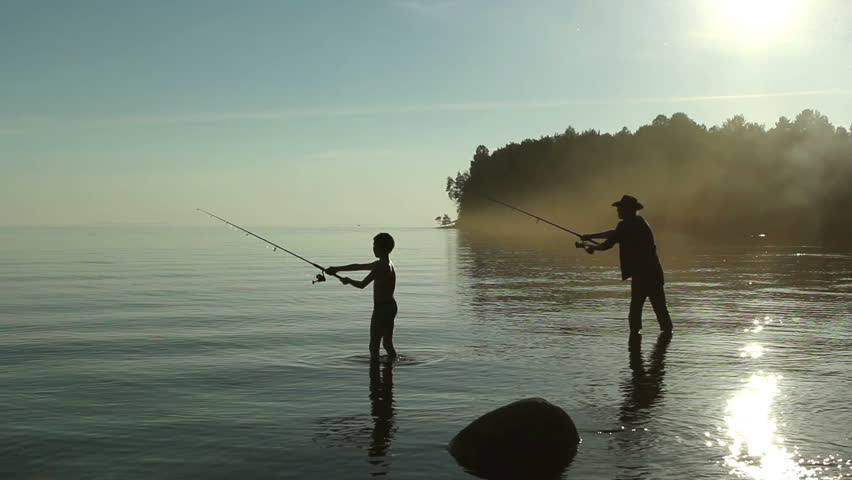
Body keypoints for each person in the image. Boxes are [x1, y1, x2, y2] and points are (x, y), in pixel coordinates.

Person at [581, 195, 673, 335]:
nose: (617, 211)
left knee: (635, 310)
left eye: (620, 208)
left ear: (627, 210)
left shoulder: (626, 225)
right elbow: (614, 234)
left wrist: (590, 246)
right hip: (654, 272)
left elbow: (607, 245)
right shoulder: (639, 221)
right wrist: (590, 236)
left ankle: (635, 342)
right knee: (660, 309)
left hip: (641, 275)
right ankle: (666, 338)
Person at [326, 233, 398, 361]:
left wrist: (348, 280)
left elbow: (362, 285)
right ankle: (390, 371)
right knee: (387, 343)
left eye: (375, 246)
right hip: (391, 307)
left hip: (381, 309)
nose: (373, 248)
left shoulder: (379, 266)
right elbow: (358, 266)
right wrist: (337, 269)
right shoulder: (388, 263)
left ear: (382, 248)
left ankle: (374, 375)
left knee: (374, 346)